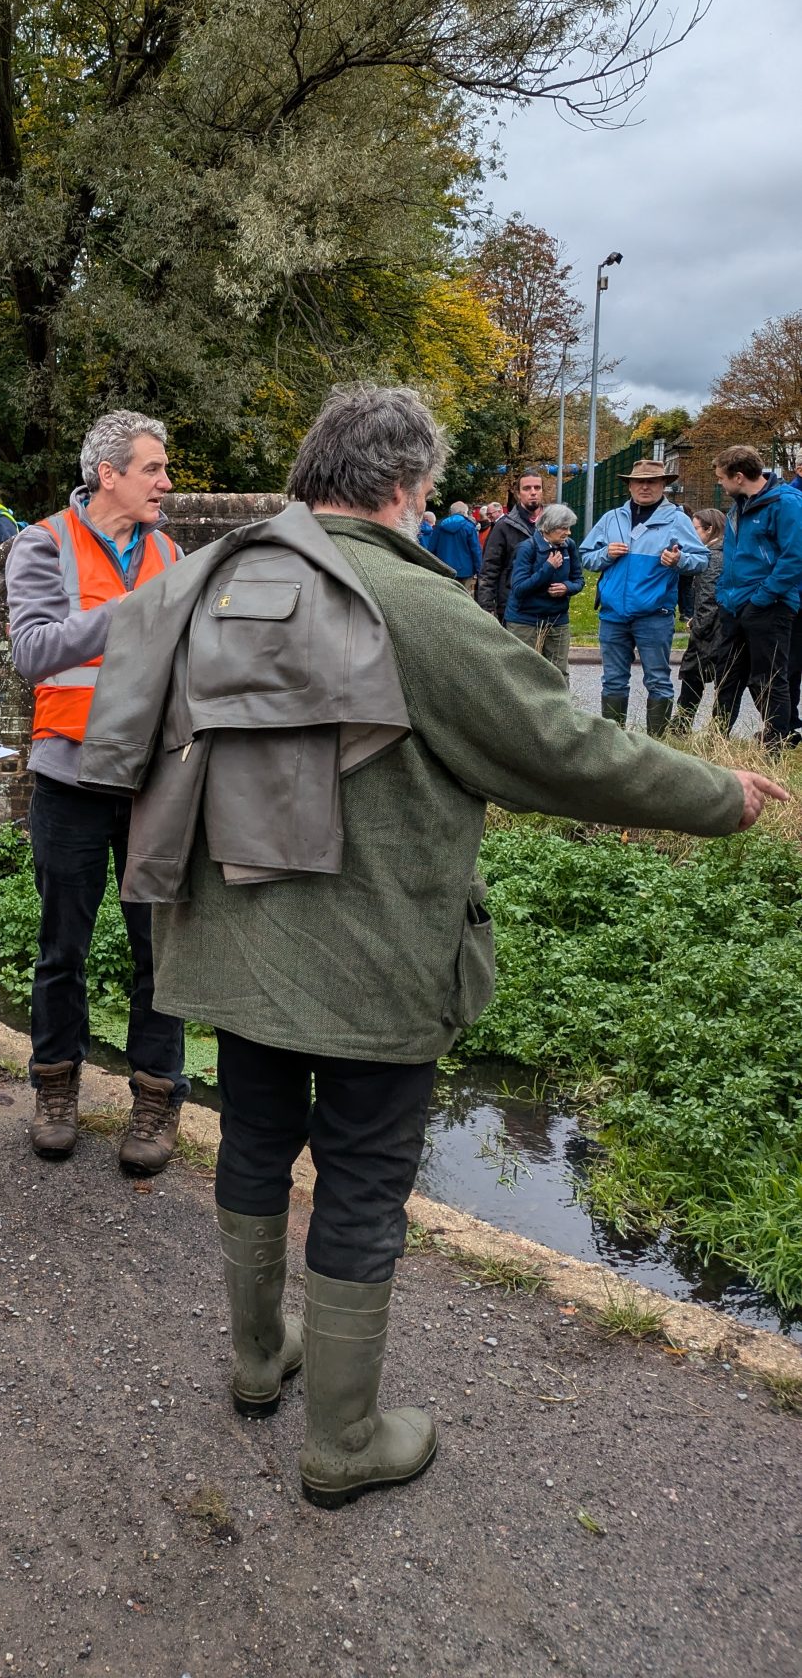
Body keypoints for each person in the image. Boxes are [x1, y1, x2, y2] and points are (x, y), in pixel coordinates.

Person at [93, 385, 787, 1509]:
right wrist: (716, 794)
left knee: (255, 1140)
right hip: (371, 954)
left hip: (225, 942)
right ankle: (342, 1435)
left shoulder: (207, 575)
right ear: (406, 487)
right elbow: (558, 744)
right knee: (362, 1178)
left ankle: (256, 1359)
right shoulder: (412, 608)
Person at [5, 409, 186, 1172]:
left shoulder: (171, 549)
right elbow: (33, 651)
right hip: (71, 778)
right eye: (153, 468)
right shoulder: (41, 543)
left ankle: (154, 1097)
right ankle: (55, 1087)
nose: (166, 482)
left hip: (151, 781)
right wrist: (128, 614)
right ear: (107, 473)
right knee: (61, 949)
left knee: (161, 952)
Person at [581, 460, 708, 734]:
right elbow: (586, 556)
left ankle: (656, 746)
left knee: (658, 680)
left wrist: (679, 559)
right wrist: (605, 554)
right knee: (613, 681)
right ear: (629, 485)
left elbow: (701, 560)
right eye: (639, 481)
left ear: (664, 485)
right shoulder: (611, 518)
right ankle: (614, 745)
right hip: (613, 615)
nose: (645, 486)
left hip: (654, 616)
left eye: (652, 481)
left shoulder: (677, 519)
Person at [710, 445, 802, 749]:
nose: (719, 484)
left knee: (770, 677)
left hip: (770, 605)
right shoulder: (740, 503)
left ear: (738, 476)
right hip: (734, 602)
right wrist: (723, 593)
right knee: (728, 676)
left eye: (721, 478)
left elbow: (795, 557)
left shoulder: (786, 503)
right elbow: (734, 554)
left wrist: (763, 597)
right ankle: (716, 739)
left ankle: (776, 743)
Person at [502, 502, 583, 679]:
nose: (568, 533)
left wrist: (567, 588)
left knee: (558, 673)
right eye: (564, 528)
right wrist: (548, 568)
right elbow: (519, 589)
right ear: (548, 526)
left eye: (569, 528)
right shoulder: (527, 548)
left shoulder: (568, 545)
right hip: (525, 620)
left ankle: (560, 708)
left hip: (557, 619)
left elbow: (579, 580)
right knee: (524, 674)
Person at [672, 506, 728, 734]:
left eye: (693, 528)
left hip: (711, 631)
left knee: (693, 677)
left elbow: (708, 597)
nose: (690, 533)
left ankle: (681, 726)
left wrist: (699, 625)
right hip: (721, 626)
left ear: (710, 529)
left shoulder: (712, 557)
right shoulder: (727, 552)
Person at [476, 472, 543, 619]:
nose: (533, 492)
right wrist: (486, 610)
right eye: (527, 488)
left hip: (547, 607)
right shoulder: (504, 526)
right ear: (518, 494)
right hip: (512, 607)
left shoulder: (553, 524)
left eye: (537, 488)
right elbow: (489, 569)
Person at [429, 501, 483, 591]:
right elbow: (475, 550)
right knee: (464, 598)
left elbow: (431, 549)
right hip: (465, 570)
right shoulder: (469, 527)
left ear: (451, 512)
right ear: (465, 512)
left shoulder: (439, 526)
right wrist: (479, 570)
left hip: (444, 569)